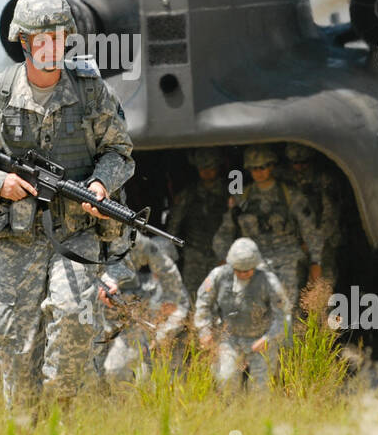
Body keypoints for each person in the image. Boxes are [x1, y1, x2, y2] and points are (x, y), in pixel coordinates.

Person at [0, 0, 135, 411]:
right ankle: (25, 427)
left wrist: (99, 185)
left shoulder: (91, 91)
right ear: (24, 43)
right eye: (42, 39)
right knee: (14, 338)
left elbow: (119, 153)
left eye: (59, 38)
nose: (51, 48)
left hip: (76, 231)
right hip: (15, 237)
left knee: (74, 315)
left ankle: (62, 408)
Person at [213, 144, 320, 323]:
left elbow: (309, 229)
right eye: (253, 168)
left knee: (285, 311)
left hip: (286, 260)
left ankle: (285, 350)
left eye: (262, 167)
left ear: (271, 166)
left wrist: (316, 261)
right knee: (256, 312)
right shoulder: (242, 196)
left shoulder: (289, 194)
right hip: (255, 262)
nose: (258, 172)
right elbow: (226, 230)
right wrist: (223, 258)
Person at [193, 238, 286, 391]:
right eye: (238, 270)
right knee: (226, 381)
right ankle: (228, 413)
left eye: (248, 270)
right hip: (229, 337)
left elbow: (283, 315)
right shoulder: (218, 276)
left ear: (255, 266)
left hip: (261, 339)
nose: (243, 274)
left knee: (261, 388)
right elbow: (203, 305)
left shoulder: (268, 281)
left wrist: (269, 338)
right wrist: (205, 331)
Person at [98, 234, 189, 384]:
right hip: (138, 341)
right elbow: (126, 310)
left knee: (155, 380)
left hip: (164, 345)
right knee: (114, 371)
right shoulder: (140, 282)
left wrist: (158, 338)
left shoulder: (177, 290)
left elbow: (178, 317)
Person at [168, 147, 228, 298]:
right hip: (194, 251)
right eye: (202, 168)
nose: (206, 172)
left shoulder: (228, 193)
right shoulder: (188, 193)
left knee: (222, 294)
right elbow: (175, 221)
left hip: (221, 253)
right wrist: (170, 249)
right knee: (193, 294)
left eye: (210, 167)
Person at [284, 142, 342, 286]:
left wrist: (313, 241)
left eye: (303, 162)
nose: (299, 167)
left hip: (321, 244)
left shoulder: (323, 180)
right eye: (294, 163)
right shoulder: (285, 180)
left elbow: (331, 215)